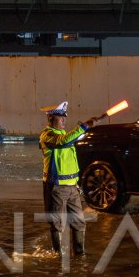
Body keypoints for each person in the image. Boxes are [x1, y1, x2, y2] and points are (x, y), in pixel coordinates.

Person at [40, 101, 99, 255]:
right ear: (51, 119)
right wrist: (84, 126)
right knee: (57, 224)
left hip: (73, 187)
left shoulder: (64, 135)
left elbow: (72, 137)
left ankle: (79, 254)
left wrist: (88, 126)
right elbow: (63, 142)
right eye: (61, 117)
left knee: (79, 223)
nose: (64, 120)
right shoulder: (47, 135)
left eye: (65, 117)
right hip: (57, 187)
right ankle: (58, 256)